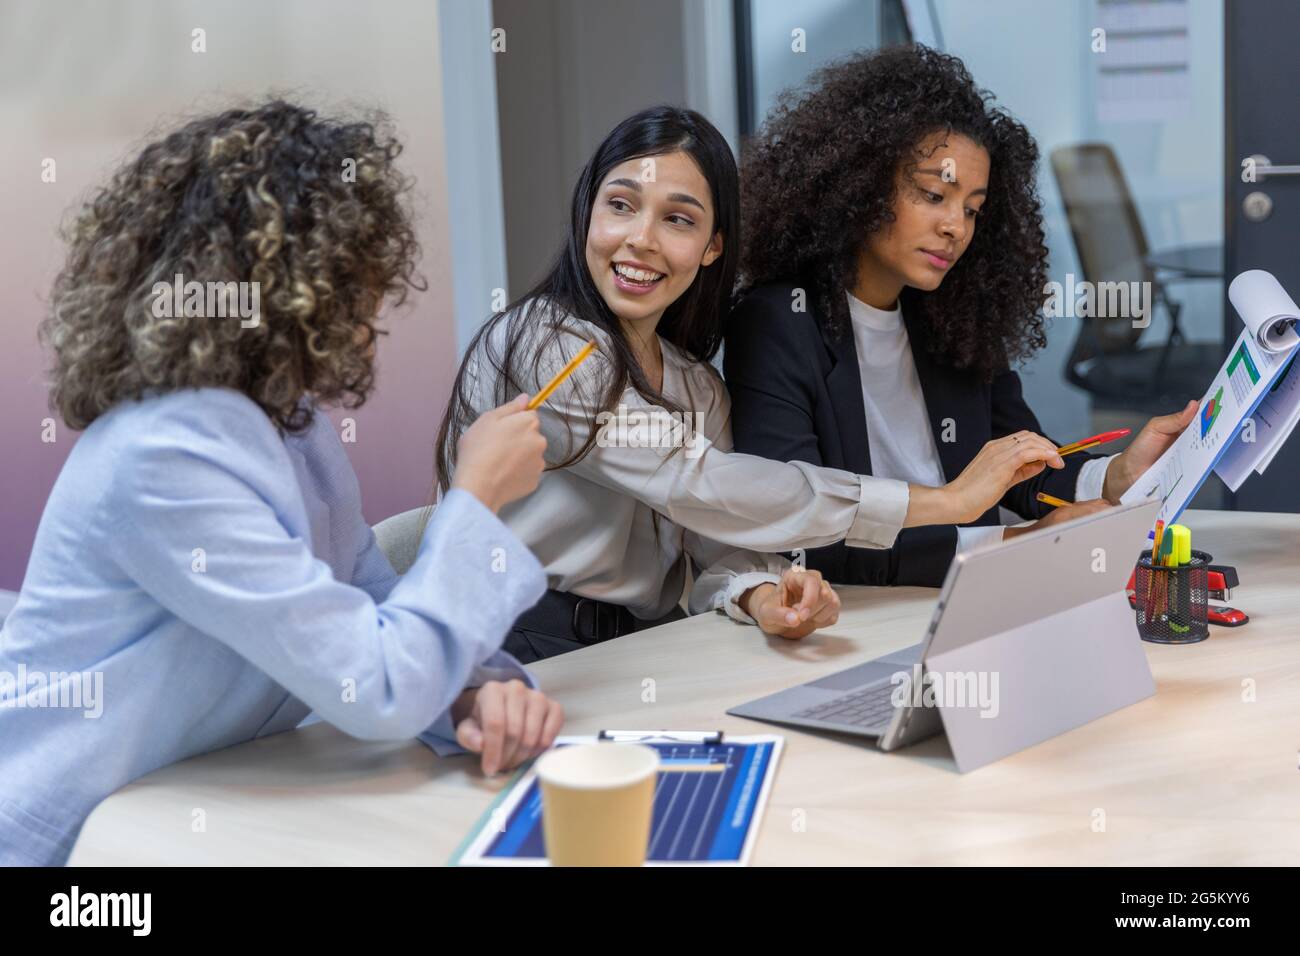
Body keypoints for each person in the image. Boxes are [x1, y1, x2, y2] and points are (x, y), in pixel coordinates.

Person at [0, 100, 563, 866]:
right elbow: (378, 686)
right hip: (74, 845)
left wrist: (467, 695)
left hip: (186, 812)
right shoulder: (163, 457)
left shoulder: (289, 424)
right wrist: (475, 496)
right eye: (360, 278)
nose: (374, 308)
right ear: (297, 284)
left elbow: (369, 606)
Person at [434, 105, 1067, 663]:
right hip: (515, 649)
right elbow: (697, 481)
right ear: (587, 215)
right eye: (620, 205)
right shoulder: (545, 345)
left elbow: (719, 549)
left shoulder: (696, 387)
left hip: (641, 647)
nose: (641, 240)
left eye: (678, 220)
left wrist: (764, 595)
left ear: (712, 247)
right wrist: (945, 502)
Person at [726, 47, 1196, 586]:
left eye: (973, 208)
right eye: (933, 194)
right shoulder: (779, 323)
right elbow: (806, 540)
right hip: (856, 621)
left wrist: (1114, 478)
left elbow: (1018, 475)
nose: (957, 227)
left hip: (971, 598)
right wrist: (1013, 543)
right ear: (859, 183)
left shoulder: (951, 314)